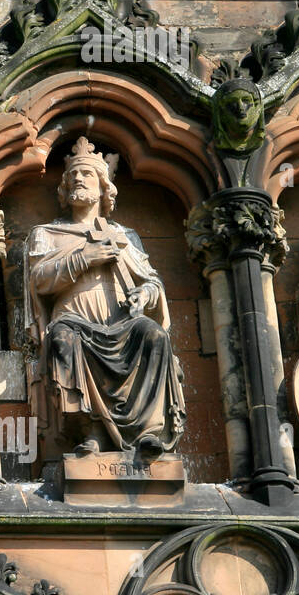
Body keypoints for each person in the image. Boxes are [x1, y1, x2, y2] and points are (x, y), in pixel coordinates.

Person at [25, 137, 185, 457]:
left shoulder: (124, 236)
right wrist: (85, 257)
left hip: (121, 322)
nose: (78, 179)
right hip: (73, 318)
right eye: (72, 176)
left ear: (103, 188)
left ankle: (149, 431)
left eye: (86, 174)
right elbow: (39, 281)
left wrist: (143, 295)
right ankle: (90, 431)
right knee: (63, 338)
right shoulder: (47, 233)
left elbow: (151, 281)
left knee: (153, 336)